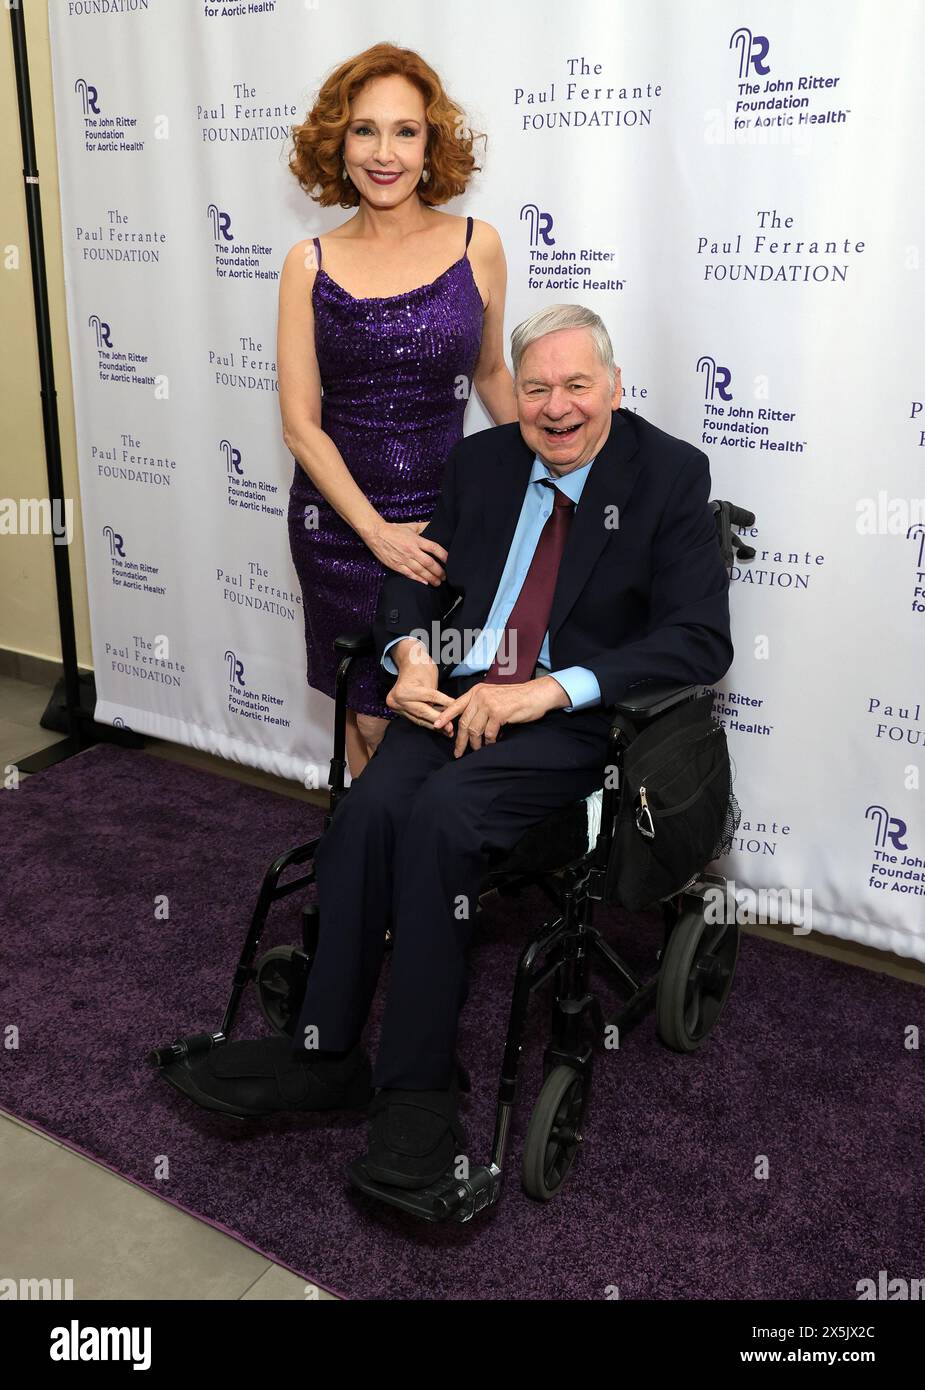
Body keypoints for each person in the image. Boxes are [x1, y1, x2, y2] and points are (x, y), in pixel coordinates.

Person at [179, 305, 734, 1194]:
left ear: (614, 387)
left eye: (577, 386)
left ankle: (417, 1101)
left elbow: (699, 641)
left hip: (570, 714)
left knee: (439, 820)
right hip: (456, 689)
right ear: (514, 393)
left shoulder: (666, 473)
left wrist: (544, 690)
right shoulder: (482, 460)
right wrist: (406, 660)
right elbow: (416, 577)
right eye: (536, 388)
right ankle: (324, 1057)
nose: (556, 408)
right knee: (364, 814)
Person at [279, 42, 517, 778]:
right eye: (364, 130)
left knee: (448, 704)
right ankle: (375, 872)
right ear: (337, 142)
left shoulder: (477, 246)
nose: (384, 153)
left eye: (405, 132)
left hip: (448, 524)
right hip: (343, 528)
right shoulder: (308, 262)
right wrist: (376, 533)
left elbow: (489, 373)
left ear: (430, 143)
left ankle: (422, 869)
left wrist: (556, 476)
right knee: (372, 720)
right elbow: (300, 423)